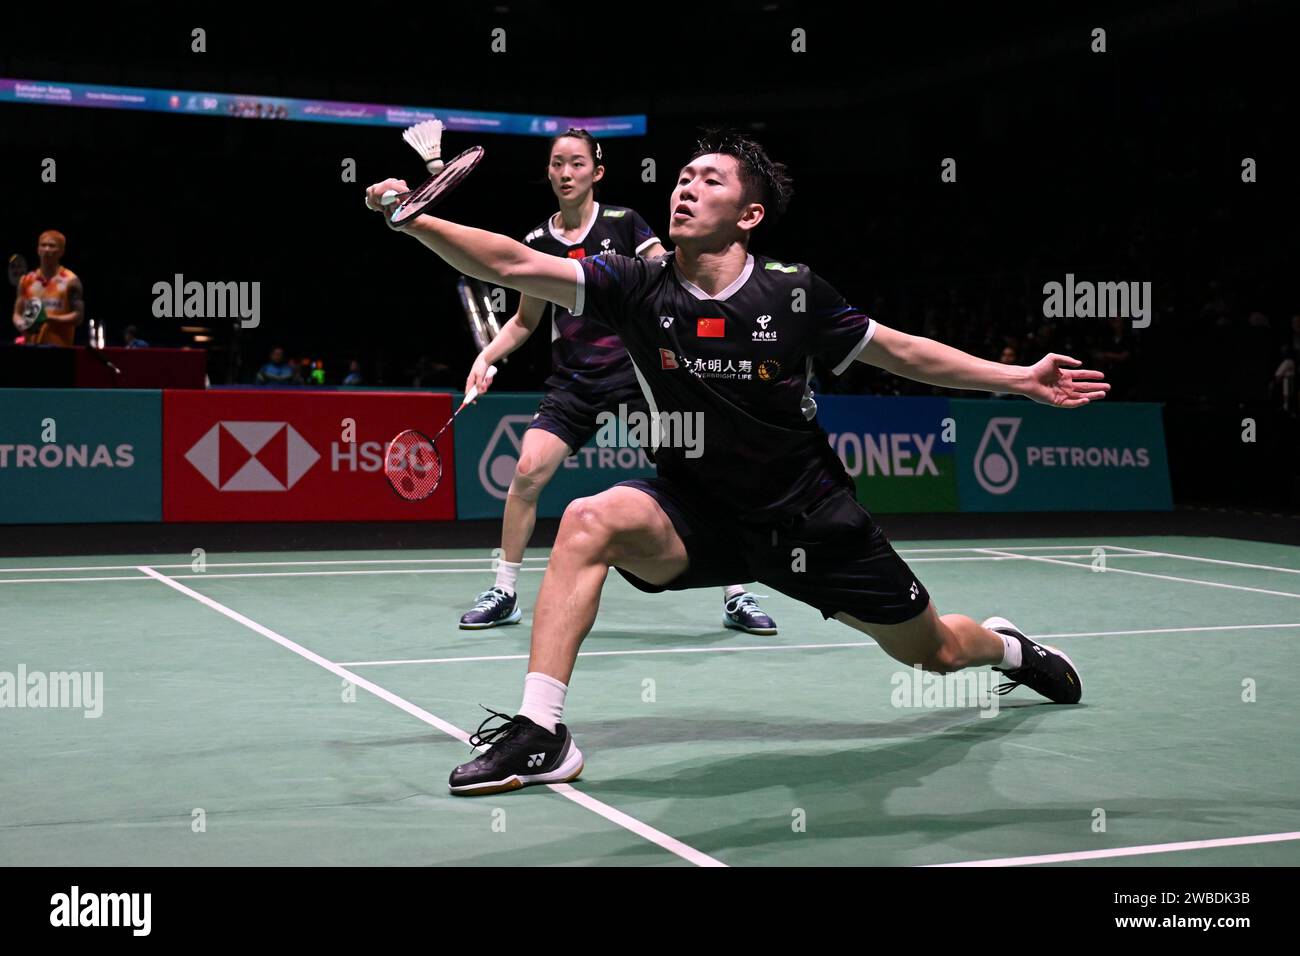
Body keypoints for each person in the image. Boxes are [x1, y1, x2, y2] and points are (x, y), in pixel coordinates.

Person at [365, 131, 1108, 796]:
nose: (686, 186)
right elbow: (512, 261)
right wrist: (414, 218)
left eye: (710, 180)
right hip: (697, 513)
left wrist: (1017, 380)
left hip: (810, 517)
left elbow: (902, 351)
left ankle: (1009, 647)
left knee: (937, 652)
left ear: (749, 215)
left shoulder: (793, 292)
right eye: (683, 176)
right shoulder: (633, 283)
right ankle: (541, 730)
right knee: (589, 520)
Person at [456, 128, 776, 636]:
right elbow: (524, 321)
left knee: (698, 472)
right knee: (527, 472)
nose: (566, 173)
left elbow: (667, 279)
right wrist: (487, 356)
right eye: (558, 163)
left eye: (577, 164)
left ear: (596, 172)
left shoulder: (625, 224)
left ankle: (737, 591)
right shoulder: (537, 241)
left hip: (636, 378)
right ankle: (505, 589)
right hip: (573, 383)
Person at [11, 231, 84, 347]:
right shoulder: (26, 280)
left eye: (52, 246)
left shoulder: (71, 280)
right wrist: (22, 324)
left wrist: (48, 318)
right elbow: (17, 313)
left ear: (61, 251)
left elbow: (78, 316)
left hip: (60, 348)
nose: (47, 249)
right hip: (30, 347)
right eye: (43, 245)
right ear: (38, 249)